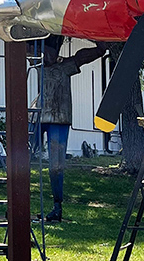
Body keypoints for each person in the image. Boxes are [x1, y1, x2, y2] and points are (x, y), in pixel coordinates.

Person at [41, 36, 106, 222]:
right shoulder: (35, 66)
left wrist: (98, 45)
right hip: (39, 117)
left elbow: (82, 57)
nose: (47, 55)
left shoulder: (64, 67)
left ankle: (57, 206)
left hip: (59, 119)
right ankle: (20, 202)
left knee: (56, 166)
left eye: (50, 51)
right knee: (24, 158)